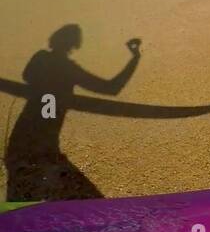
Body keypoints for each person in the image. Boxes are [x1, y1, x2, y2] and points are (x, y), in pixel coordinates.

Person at [4, 24, 141, 201]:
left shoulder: (41, 58)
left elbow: (27, 77)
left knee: (21, 214)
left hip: (21, 147)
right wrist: (135, 57)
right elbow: (111, 88)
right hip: (44, 151)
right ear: (75, 44)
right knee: (87, 204)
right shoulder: (69, 69)